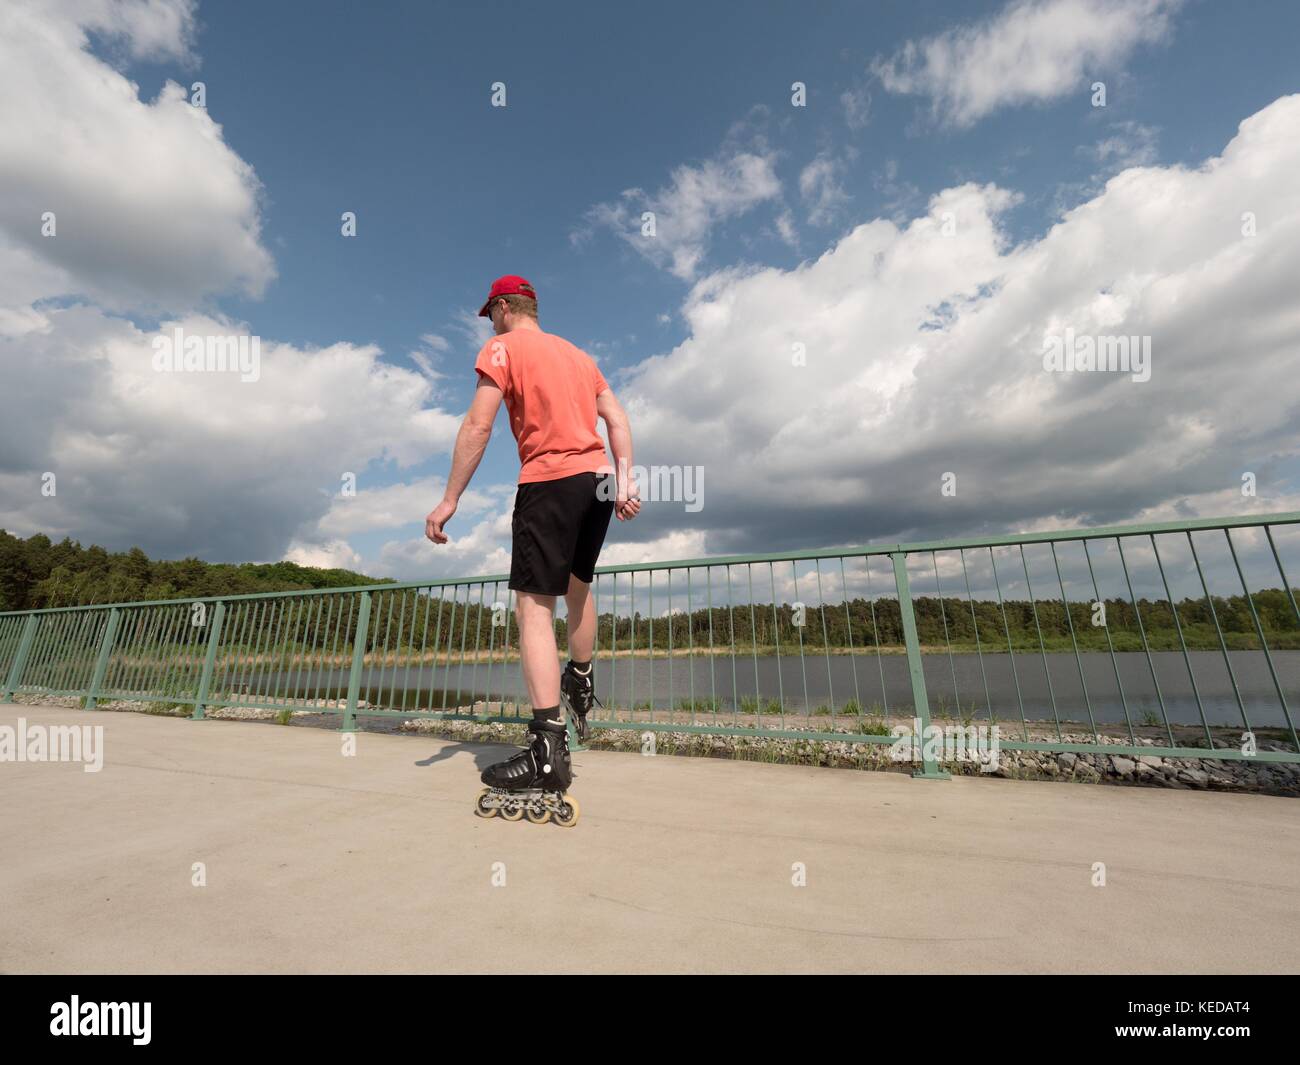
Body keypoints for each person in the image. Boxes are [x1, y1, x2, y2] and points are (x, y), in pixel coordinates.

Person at [425, 274, 638, 805]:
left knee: (532, 606)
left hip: (550, 481)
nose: (490, 323)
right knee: (578, 586)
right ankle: (581, 679)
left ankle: (546, 750)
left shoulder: (502, 347)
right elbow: (615, 417)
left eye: (490, 314)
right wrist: (626, 478)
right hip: (599, 483)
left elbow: (478, 425)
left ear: (502, 307)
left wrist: (450, 498)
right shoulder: (579, 356)